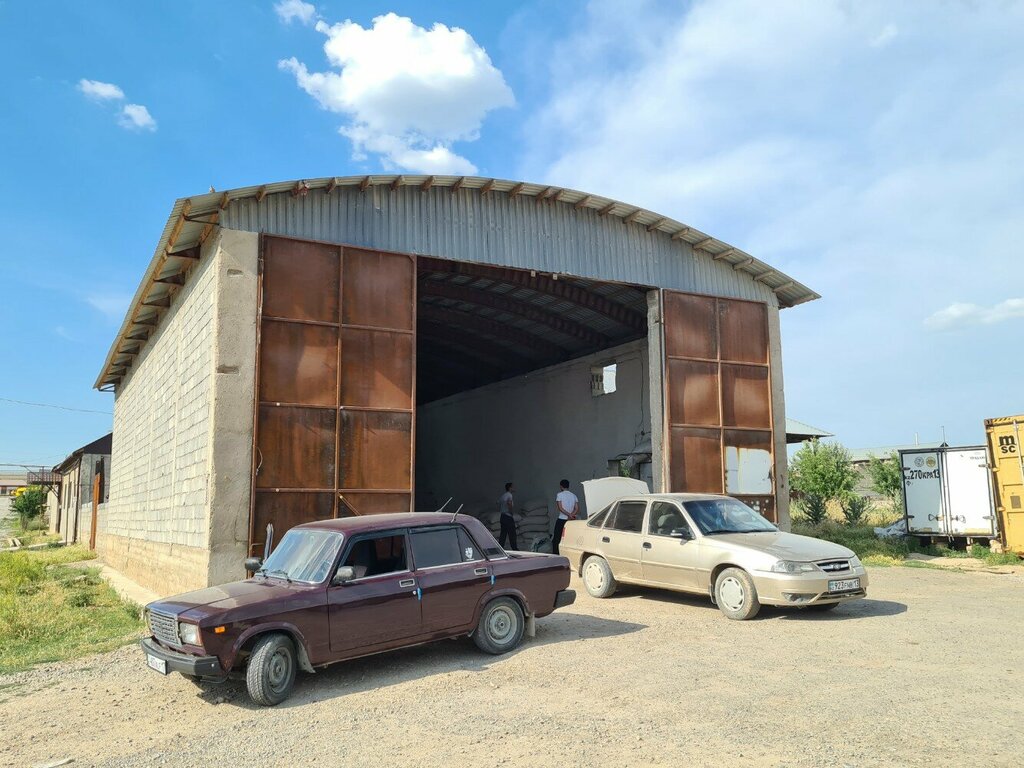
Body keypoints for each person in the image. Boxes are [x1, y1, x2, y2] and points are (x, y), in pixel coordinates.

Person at [553, 479, 578, 555]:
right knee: (569, 538)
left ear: (561, 486)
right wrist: (571, 515)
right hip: (570, 521)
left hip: (561, 519)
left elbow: (560, 508)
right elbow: (577, 508)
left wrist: (568, 514)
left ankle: (557, 554)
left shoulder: (559, 495)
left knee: (557, 538)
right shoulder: (574, 495)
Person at [497, 482, 517, 550]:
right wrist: (511, 512)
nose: (514, 488)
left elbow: (498, 502)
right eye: (513, 487)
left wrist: (503, 509)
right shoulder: (509, 495)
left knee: (503, 534)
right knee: (512, 534)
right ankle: (515, 549)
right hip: (508, 517)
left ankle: (500, 548)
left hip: (502, 517)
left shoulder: (503, 495)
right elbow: (509, 504)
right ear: (509, 488)